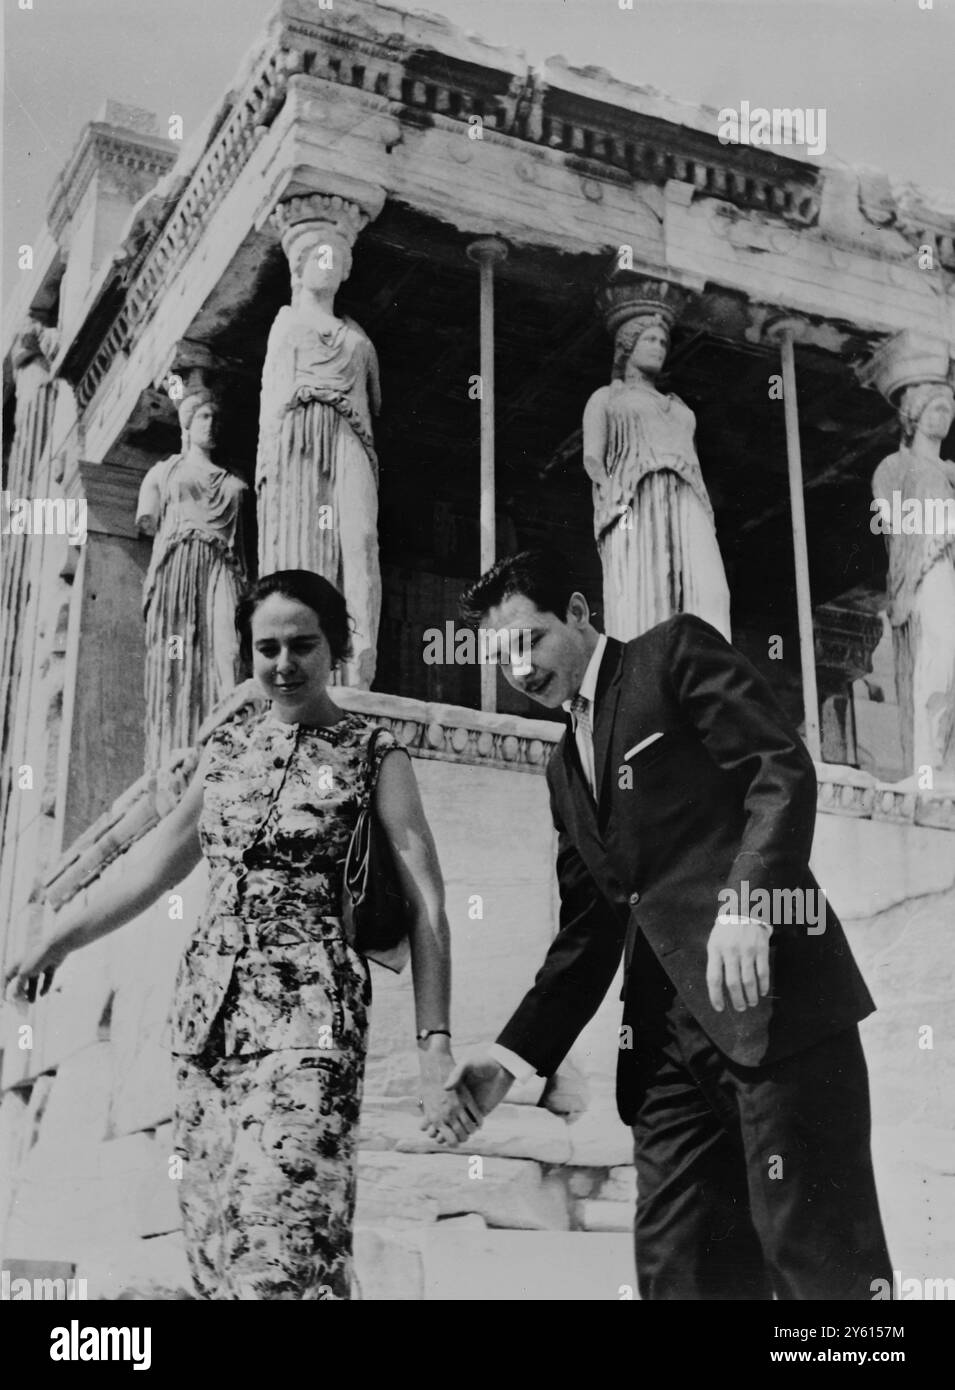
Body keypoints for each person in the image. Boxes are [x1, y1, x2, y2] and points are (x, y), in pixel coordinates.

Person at [6, 570, 478, 1300]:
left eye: (303, 645)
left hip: (310, 1030)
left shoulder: (372, 754)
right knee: (219, 1243)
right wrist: (58, 939)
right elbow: (150, 871)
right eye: (267, 649)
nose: (284, 664)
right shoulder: (226, 753)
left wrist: (434, 1044)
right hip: (208, 1029)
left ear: (338, 646)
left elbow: (427, 906)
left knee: (285, 1241)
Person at [449, 549, 891, 1301]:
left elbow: (777, 769)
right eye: (501, 658)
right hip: (663, 1051)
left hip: (773, 1009)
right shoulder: (563, 769)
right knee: (677, 1268)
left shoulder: (671, 654)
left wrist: (748, 904)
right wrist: (509, 1058)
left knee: (817, 1258)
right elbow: (588, 931)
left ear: (581, 613)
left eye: (530, 641)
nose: (519, 671)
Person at [256, 221, 381, 689]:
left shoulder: (357, 338)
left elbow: (375, 403)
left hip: (349, 434)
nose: (326, 266)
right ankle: (309, 655)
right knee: (307, 542)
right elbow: (272, 401)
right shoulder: (287, 324)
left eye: (335, 259)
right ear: (300, 267)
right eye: (318, 258)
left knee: (361, 536)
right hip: (299, 438)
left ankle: (359, 649)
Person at [582, 308, 731, 643]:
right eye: (650, 339)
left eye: (663, 341)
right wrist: (614, 502)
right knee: (648, 589)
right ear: (627, 347)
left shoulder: (677, 404)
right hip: (634, 498)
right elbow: (593, 458)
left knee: (711, 593)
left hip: (688, 495)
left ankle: (710, 666)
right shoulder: (608, 397)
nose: (659, 347)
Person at [136, 387, 247, 772]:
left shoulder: (235, 481)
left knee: (228, 648)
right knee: (178, 655)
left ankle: (231, 741)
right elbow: (148, 520)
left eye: (217, 418)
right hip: (179, 567)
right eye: (203, 416)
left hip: (223, 563)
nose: (211, 425)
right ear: (187, 423)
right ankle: (177, 746)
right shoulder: (163, 473)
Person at [871, 381, 955, 779]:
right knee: (939, 655)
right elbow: (890, 522)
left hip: (949, 565)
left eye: (949, 408)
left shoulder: (952, 473)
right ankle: (927, 762)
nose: (944, 415)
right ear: (915, 416)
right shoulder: (896, 466)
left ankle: (945, 759)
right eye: (935, 408)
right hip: (926, 569)